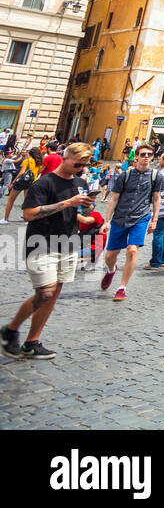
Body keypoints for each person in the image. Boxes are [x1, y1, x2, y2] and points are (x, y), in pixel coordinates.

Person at [2, 143, 93, 359]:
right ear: (65, 157)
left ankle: (31, 342)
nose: (79, 168)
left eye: (84, 165)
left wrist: (86, 206)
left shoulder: (80, 182)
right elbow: (29, 214)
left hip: (68, 242)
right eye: (77, 163)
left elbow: (80, 210)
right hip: (41, 243)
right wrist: (68, 202)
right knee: (44, 293)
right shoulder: (44, 183)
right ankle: (10, 330)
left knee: (52, 296)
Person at [98, 145, 160, 302]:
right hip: (120, 218)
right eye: (143, 154)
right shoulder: (125, 175)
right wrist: (107, 221)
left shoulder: (155, 176)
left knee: (132, 250)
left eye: (149, 154)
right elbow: (114, 198)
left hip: (141, 217)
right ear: (136, 157)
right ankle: (112, 270)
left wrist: (155, 220)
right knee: (110, 255)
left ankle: (122, 287)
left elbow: (156, 198)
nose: (146, 156)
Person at [2, 148, 41, 224]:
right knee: (27, 202)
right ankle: (28, 219)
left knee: (11, 200)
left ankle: (6, 219)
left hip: (21, 182)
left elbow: (21, 172)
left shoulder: (27, 161)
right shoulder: (39, 162)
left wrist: (13, 181)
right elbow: (39, 172)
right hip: (31, 182)